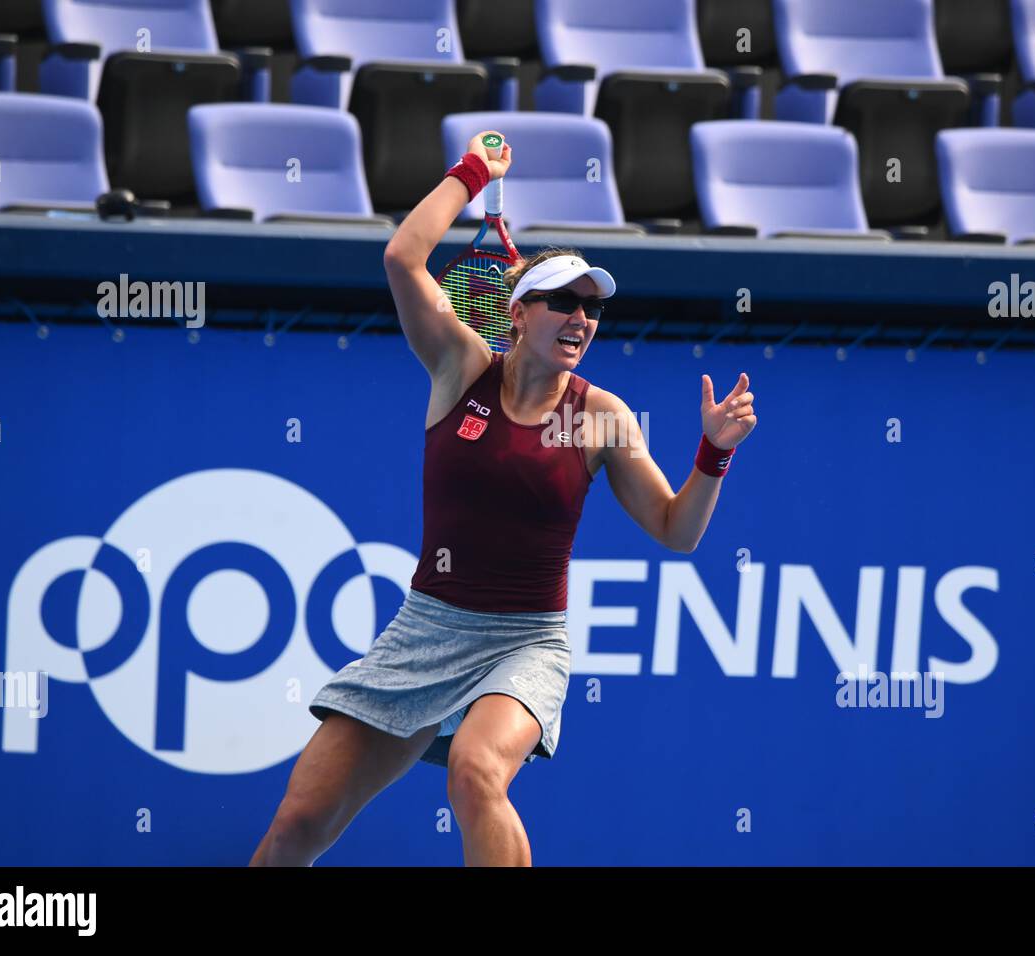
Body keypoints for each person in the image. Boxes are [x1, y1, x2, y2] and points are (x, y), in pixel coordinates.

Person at [250, 130, 757, 867]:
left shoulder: (601, 416)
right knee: (298, 823)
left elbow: (678, 531)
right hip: (424, 630)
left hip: (526, 641)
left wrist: (714, 454)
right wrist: (471, 172)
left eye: (591, 308)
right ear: (516, 313)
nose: (581, 318)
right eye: (560, 301)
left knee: (478, 770)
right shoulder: (460, 369)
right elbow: (401, 258)